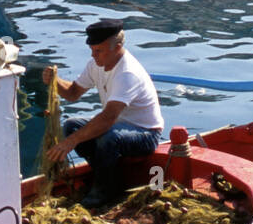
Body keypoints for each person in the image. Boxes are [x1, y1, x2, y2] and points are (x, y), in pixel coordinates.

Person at [43, 20, 163, 206]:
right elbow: (73, 93)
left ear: (118, 47)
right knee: (72, 125)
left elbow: (108, 118)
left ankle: (103, 192)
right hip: (116, 127)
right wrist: (55, 81)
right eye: (92, 50)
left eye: (98, 50)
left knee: (108, 138)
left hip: (146, 133)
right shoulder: (96, 64)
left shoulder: (127, 73)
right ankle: (104, 173)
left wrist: (71, 142)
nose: (93, 55)